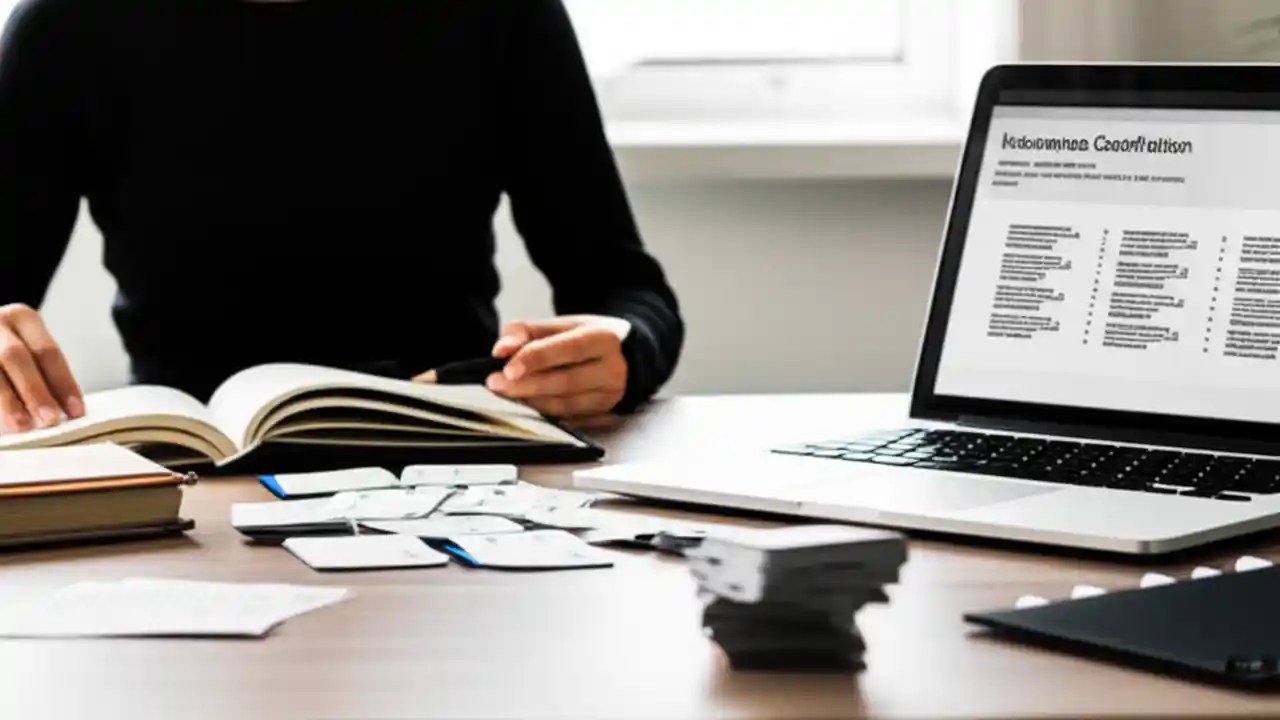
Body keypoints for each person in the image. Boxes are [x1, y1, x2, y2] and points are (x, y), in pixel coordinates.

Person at [0, 0, 683, 434]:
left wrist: (627, 350)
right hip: (188, 465)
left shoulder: (503, 16)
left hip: (452, 458)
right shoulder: (67, 27)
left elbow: (625, 290)